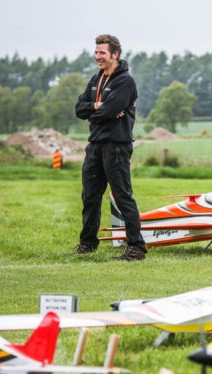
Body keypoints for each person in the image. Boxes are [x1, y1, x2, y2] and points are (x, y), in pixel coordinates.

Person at [73, 34, 146, 261]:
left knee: (123, 196)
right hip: (95, 145)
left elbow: (108, 111)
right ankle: (87, 244)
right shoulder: (96, 80)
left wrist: (99, 110)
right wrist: (98, 106)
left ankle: (136, 248)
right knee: (90, 196)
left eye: (102, 53)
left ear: (115, 54)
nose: (97, 57)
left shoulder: (125, 82)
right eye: (96, 52)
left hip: (117, 146)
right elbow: (79, 109)